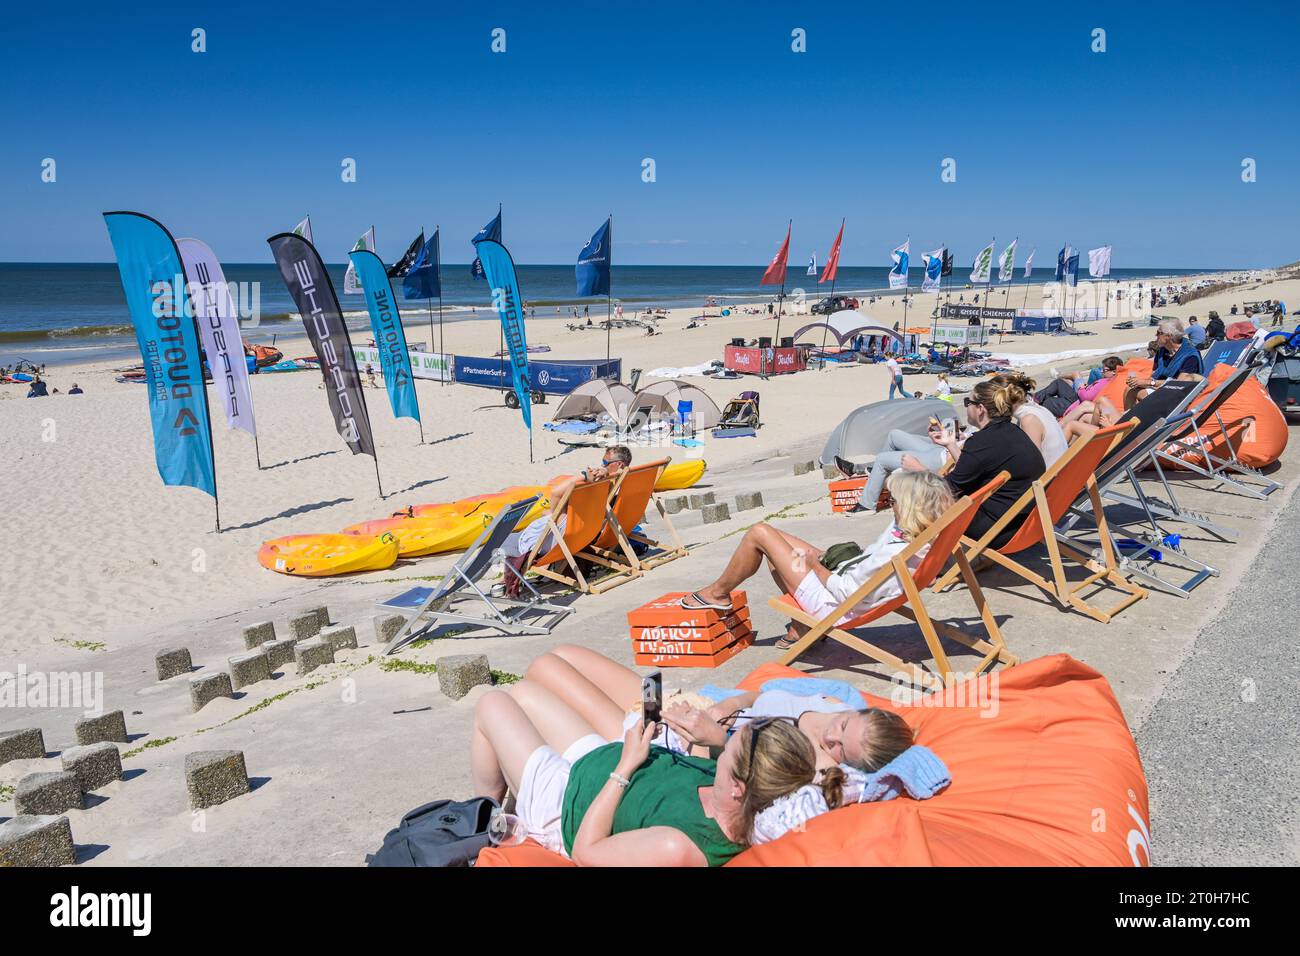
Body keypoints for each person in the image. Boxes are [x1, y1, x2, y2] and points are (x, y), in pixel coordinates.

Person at [469, 677, 838, 865]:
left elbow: (586, 850)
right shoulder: (738, 797)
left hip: (566, 807)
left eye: (732, 745)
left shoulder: (679, 847)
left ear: (740, 786)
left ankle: (476, 821)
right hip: (602, 762)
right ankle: (502, 798)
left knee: (491, 702)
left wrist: (629, 763)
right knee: (525, 691)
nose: (728, 738)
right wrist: (705, 740)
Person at [679, 470, 955, 648]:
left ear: (908, 508)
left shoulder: (895, 552)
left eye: (893, 500)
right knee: (777, 543)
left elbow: (849, 593)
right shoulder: (921, 536)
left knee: (759, 534)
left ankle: (718, 593)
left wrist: (814, 565)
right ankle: (800, 626)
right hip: (848, 578)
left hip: (835, 602)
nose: (888, 502)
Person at [925, 377, 1046, 548]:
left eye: (968, 402)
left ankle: (903, 562)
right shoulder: (1013, 432)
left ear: (980, 409)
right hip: (1026, 523)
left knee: (919, 500)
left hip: (998, 530)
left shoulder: (982, 442)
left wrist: (920, 473)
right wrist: (950, 444)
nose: (966, 406)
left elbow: (948, 489)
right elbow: (976, 468)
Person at [501, 446, 632, 566]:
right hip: (586, 534)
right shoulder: (623, 485)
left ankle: (502, 580)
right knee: (547, 514)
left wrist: (583, 476)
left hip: (561, 541)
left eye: (605, 463)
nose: (601, 465)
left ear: (618, 464)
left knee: (500, 542)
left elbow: (556, 493)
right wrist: (606, 471)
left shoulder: (570, 521)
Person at [994, 372, 1069, 469]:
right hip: (1065, 473)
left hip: (1053, 479)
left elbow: (1033, 465)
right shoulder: (1037, 409)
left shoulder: (1028, 419)